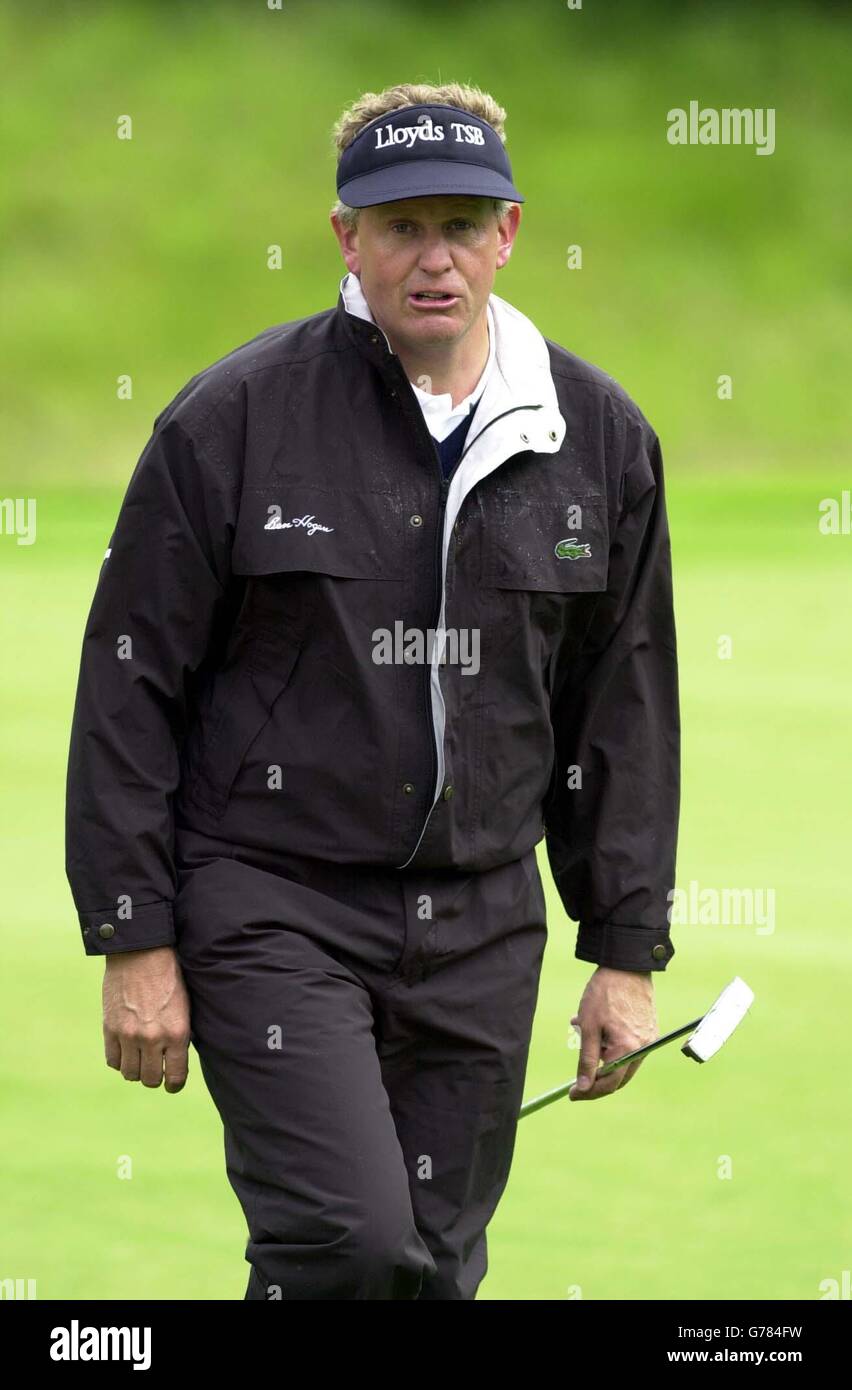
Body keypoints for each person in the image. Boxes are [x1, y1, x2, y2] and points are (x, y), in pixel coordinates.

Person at [64, 81, 680, 1300]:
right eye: (402, 226)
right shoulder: (233, 420)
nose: (434, 256)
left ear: (510, 231)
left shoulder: (597, 436)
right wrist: (133, 935)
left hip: (486, 924)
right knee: (347, 1239)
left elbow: (624, 709)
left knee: (434, 1272)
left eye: (462, 222)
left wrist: (625, 948)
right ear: (348, 237)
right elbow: (128, 685)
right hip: (271, 900)